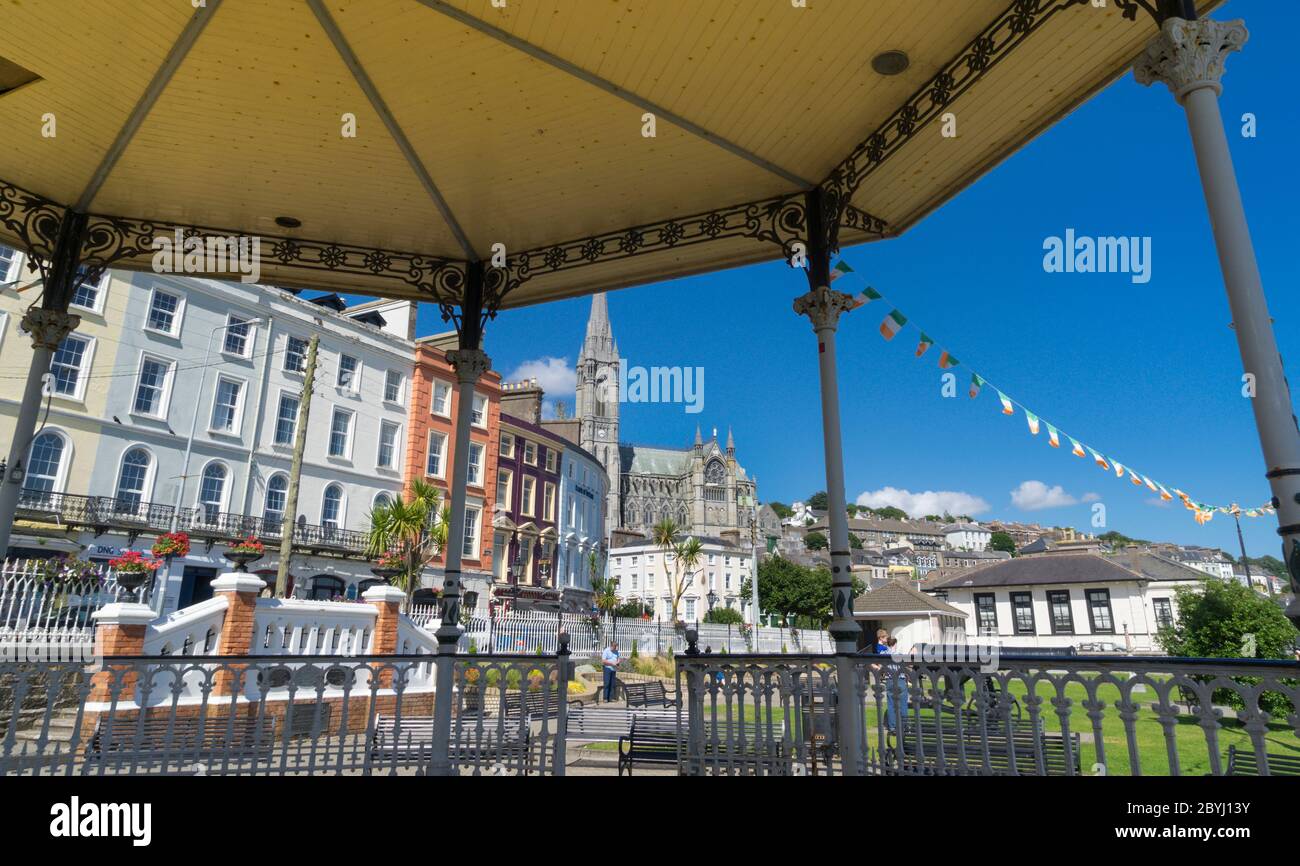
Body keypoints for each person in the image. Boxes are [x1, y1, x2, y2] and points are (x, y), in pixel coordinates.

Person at [884, 636, 909, 736]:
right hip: (900, 679)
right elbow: (906, 666)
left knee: (890, 705)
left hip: (889, 680)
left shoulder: (883, 654)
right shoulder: (899, 655)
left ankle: (892, 727)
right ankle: (904, 726)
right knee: (903, 704)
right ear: (895, 644)